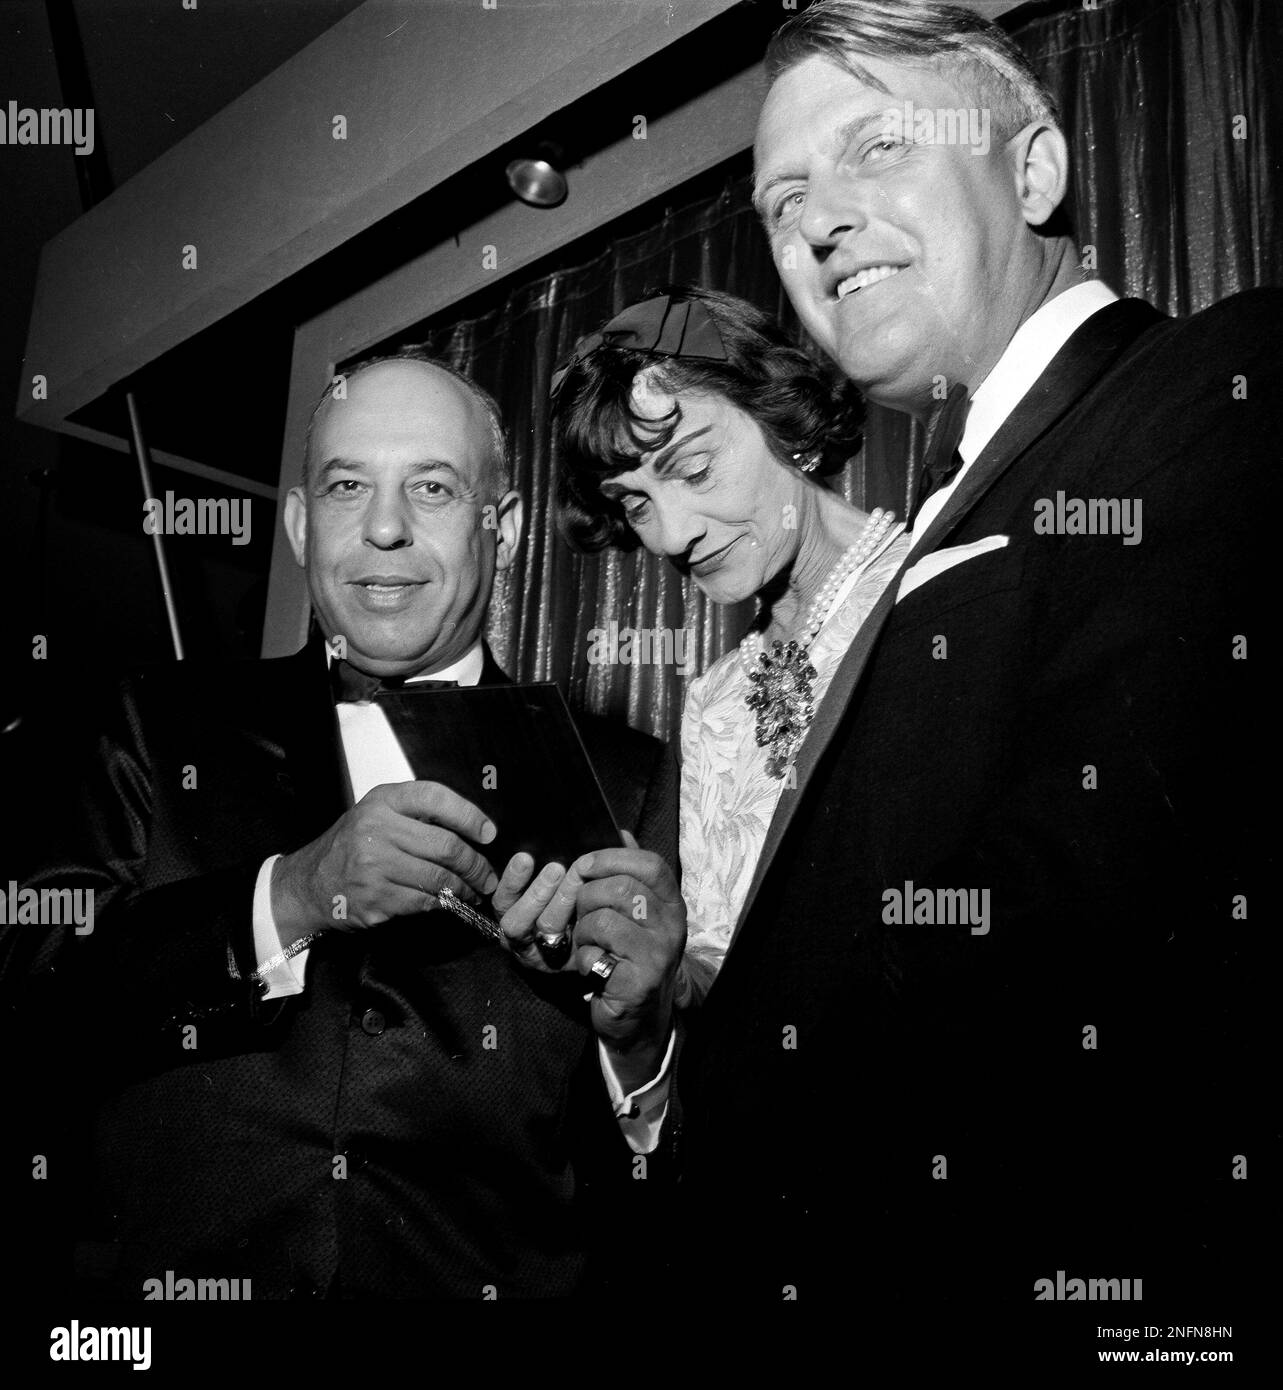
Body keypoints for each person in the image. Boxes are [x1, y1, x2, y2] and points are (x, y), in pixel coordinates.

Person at [618, 0, 1274, 1308]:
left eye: (874, 150)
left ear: (1030, 169)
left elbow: (1089, 927)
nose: (814, 220)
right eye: (781, 197)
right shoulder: (941, 503)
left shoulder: (1217, 385)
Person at [1, 350, 684, 1300]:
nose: (386, 529)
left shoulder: (628, 777)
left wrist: (641, 1043)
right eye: (347, 486)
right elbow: (31, 1003)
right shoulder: (151, 723)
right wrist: (291, 892)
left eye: (433, 488)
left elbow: (656, 1199)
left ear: (509, 528)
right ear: (297, 522)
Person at [553, 285, 910, 1006]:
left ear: (782, 418)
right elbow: (701, 981)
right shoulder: (711, 701)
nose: (672, 533)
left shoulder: (933, 598)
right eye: (633, 500)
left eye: (691, 468)